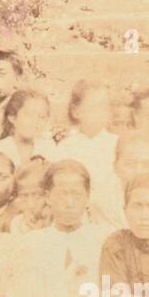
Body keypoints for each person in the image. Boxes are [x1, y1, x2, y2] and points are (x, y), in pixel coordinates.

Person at [14, 159, 114, 297]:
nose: (69, 202)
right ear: (48, 197)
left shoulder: (104, 239)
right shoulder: (31, 242)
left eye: (76, 194)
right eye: (61, 194)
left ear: (87, 197)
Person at [56, 80, 118, 213]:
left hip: (111, 211)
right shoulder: (65, 148)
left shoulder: (117, 144)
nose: (101, 112)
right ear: (76, 111)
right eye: (95, 107)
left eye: (105, 106)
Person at [0, 88, 59, 165]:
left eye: (42, 117)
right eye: (29, 115)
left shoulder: (49, 149)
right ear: (12, 117)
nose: (35, 122)